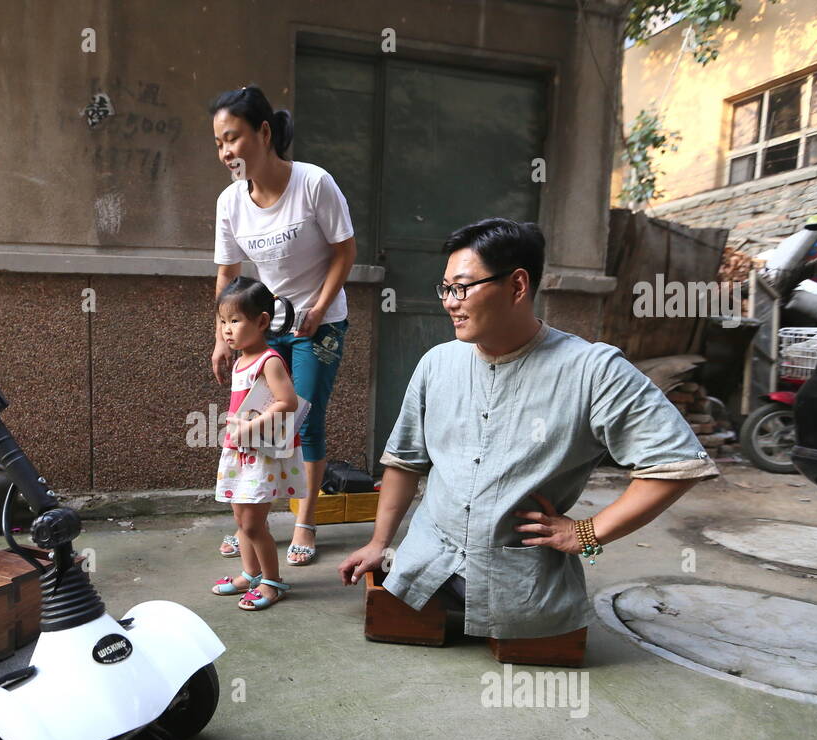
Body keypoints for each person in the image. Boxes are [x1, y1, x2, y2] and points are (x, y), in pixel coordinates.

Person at [338, 218, 719, 641]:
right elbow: (405, 461)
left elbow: (676, 464)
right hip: (422, 569)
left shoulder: (592, 370)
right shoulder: (437, 363)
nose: (449, 302)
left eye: (462, 287)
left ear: (517, 286)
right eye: (445, 288)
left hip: (524, 593)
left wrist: (588, 534)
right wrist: (379, 543)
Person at [209, 85, 356, 567]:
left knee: (302, 419)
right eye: (219, 143)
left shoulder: (313, 183)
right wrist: (221, 336)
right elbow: (229, 273)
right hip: (264, 324)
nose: (226, 150)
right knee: (257, 425)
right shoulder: (230, 202)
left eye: (233, 137)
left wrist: (319, 306)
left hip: (321, 323)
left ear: (264, 132)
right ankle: (251, 525)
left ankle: (304, 521)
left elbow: (344, 250)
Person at [210, 276, 308, 611]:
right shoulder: (240, 361)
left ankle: (272, 582)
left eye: (235, 321)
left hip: (261, 455)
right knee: (241, 521)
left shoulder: (269, 360)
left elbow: (288, 402)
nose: (226, 329)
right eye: (223, 321)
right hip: (240, 450)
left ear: (262, 321)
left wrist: (253, 423)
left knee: (253, 523)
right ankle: (250, 573)